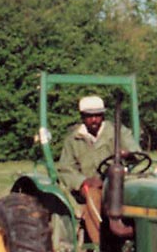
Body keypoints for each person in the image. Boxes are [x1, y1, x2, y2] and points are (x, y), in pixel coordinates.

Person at [57, 95, 140, 244]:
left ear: (103, 115)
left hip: (118, 182)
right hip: (90, 186)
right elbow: (65, 169)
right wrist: (83, 181)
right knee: (93, 195)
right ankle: (101, 246)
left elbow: (137, 153)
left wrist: (128, 154)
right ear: (82, 117)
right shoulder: (74, 139)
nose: (94, 120)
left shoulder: (118, 132)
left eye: (97, 115)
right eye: (89, 116)